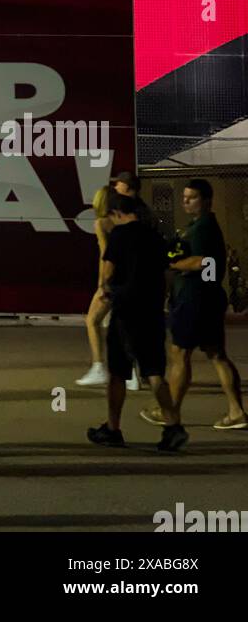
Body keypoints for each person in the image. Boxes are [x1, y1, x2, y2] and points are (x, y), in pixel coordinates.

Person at [141, 179, 246, 432]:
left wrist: (174, 265)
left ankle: (171, 411)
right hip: (205, 297)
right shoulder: (199, 227)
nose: (186, 201)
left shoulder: (202, 229)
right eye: (185, 196)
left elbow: (204, 263)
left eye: (192, 197)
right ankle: (237, 411)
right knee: (216, 354)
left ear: (207, 201)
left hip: (194, 300)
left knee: (179, 353)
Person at [86, 191, 187, 452]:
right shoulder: (154, 236)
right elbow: (167, 274)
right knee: (154, 371)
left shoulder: (119, 235)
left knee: (118, 372)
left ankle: (113, 428)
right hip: (151, 311)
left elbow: (108, 270)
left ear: (117, 213)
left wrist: (106, 290)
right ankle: (173, 426)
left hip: (126, 310)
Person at [76, 187, 139, 392]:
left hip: (112, 280)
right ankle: (135, 374)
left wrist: (102, 284)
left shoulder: (101, 223)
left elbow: (106, 255)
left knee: (92, 321)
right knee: (126, 325)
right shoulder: (128, 223)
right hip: (130, 278)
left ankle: (98, 367)